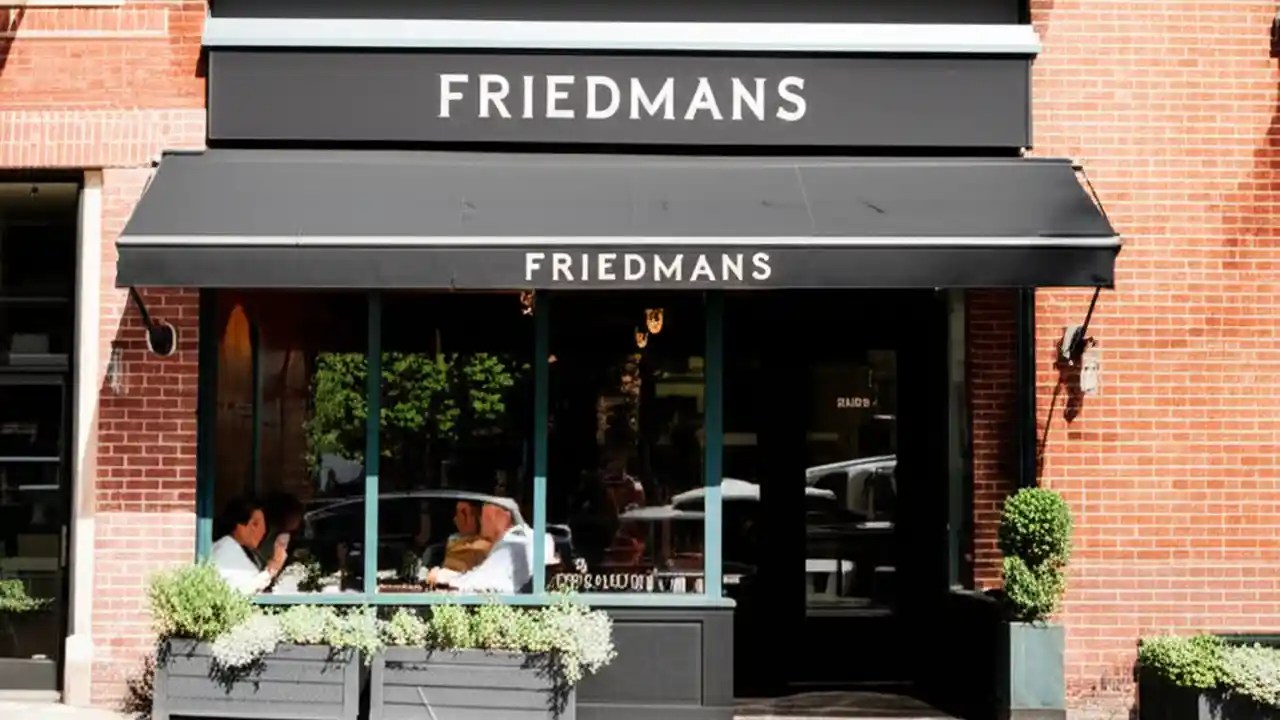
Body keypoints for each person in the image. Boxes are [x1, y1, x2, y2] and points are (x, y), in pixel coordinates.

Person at [425, 498, 558, 593]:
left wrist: (442, 577)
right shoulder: (533, 538)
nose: (481, 521)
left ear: (501, 516)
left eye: (485, 515)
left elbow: (481, 582)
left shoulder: (513, 544)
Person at [210, 496, 287, 594]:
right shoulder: (225, 550)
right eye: (255, 524)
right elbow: (243, 589)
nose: (262, 531)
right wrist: (272, 568)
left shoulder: (250, 551)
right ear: (239, 525)